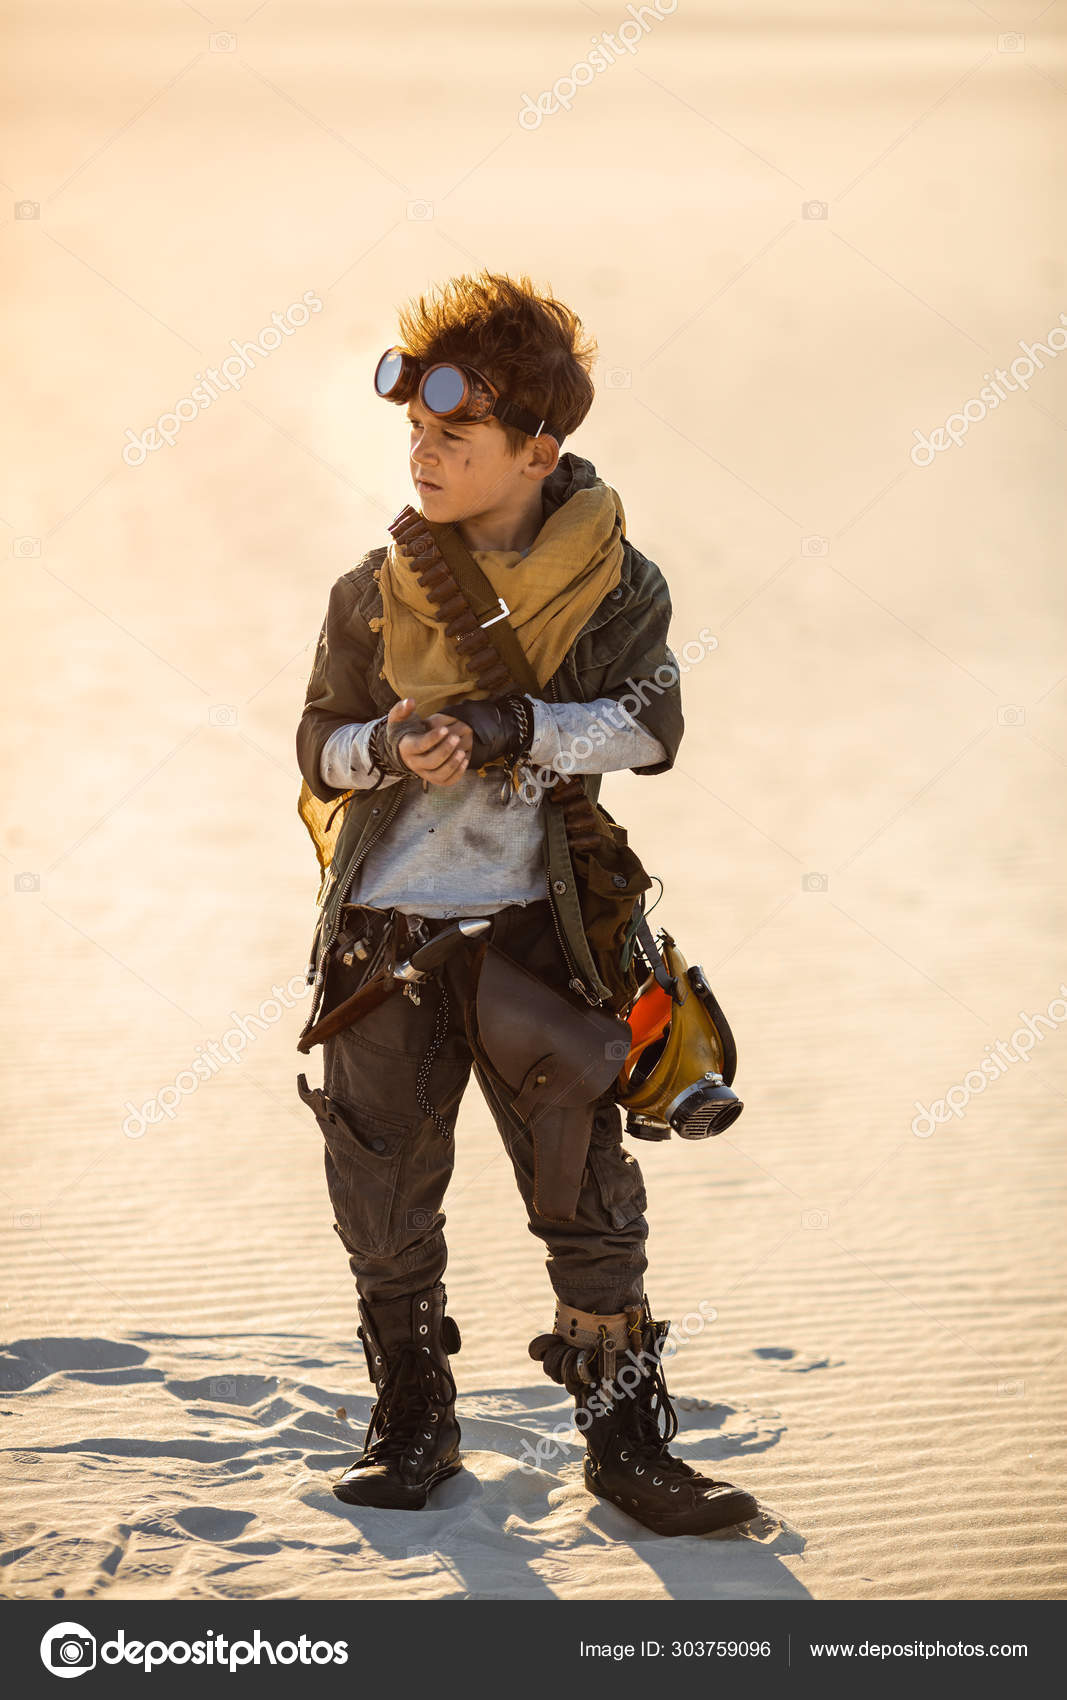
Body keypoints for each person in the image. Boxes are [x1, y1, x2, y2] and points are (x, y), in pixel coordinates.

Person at [294, 270, 758, 1536]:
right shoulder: (372, 588)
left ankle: (624, 1441)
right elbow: (315, 745)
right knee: (381, 1196)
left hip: (542, 935)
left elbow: (649, 730)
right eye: (415, 432)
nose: (424, 454)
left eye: (456, 434)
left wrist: (513, 726)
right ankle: (410, 1421)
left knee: (587, 1195)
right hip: (383, 938)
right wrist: (386, 745)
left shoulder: (618, 585)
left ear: (537, 449)